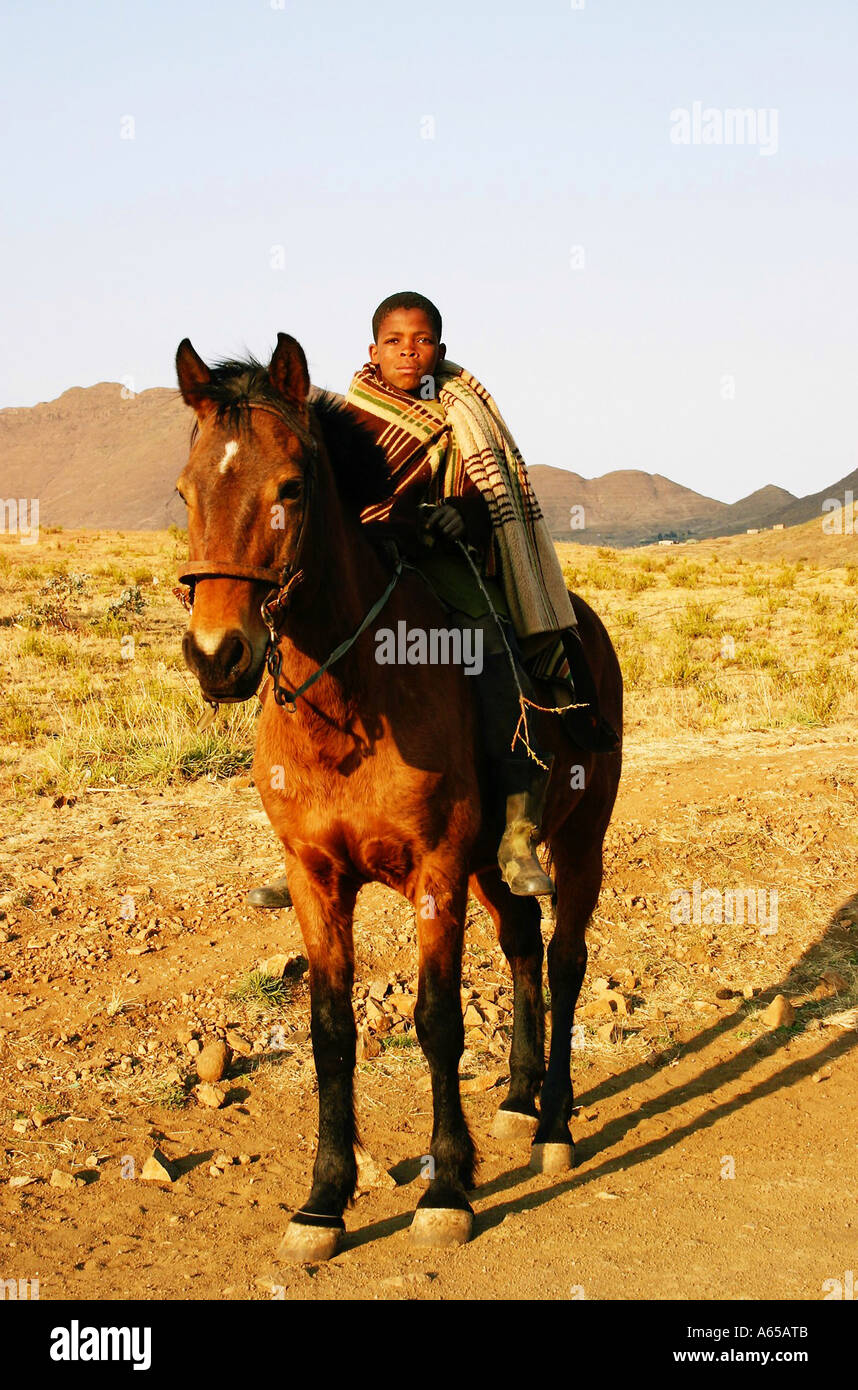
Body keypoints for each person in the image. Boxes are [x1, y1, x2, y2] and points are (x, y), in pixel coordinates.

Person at [247, 291, 618, 910]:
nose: (407, 352)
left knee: (493, 646)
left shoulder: (463, 413)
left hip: (447, 562)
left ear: (439, 350)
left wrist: (458, 513)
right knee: (297, 661)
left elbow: (488, 491)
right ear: (372, 350)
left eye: (420, 342)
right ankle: (306, 842)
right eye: (394, 342)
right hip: (370, 555)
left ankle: (519, 827)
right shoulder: (344, 417)